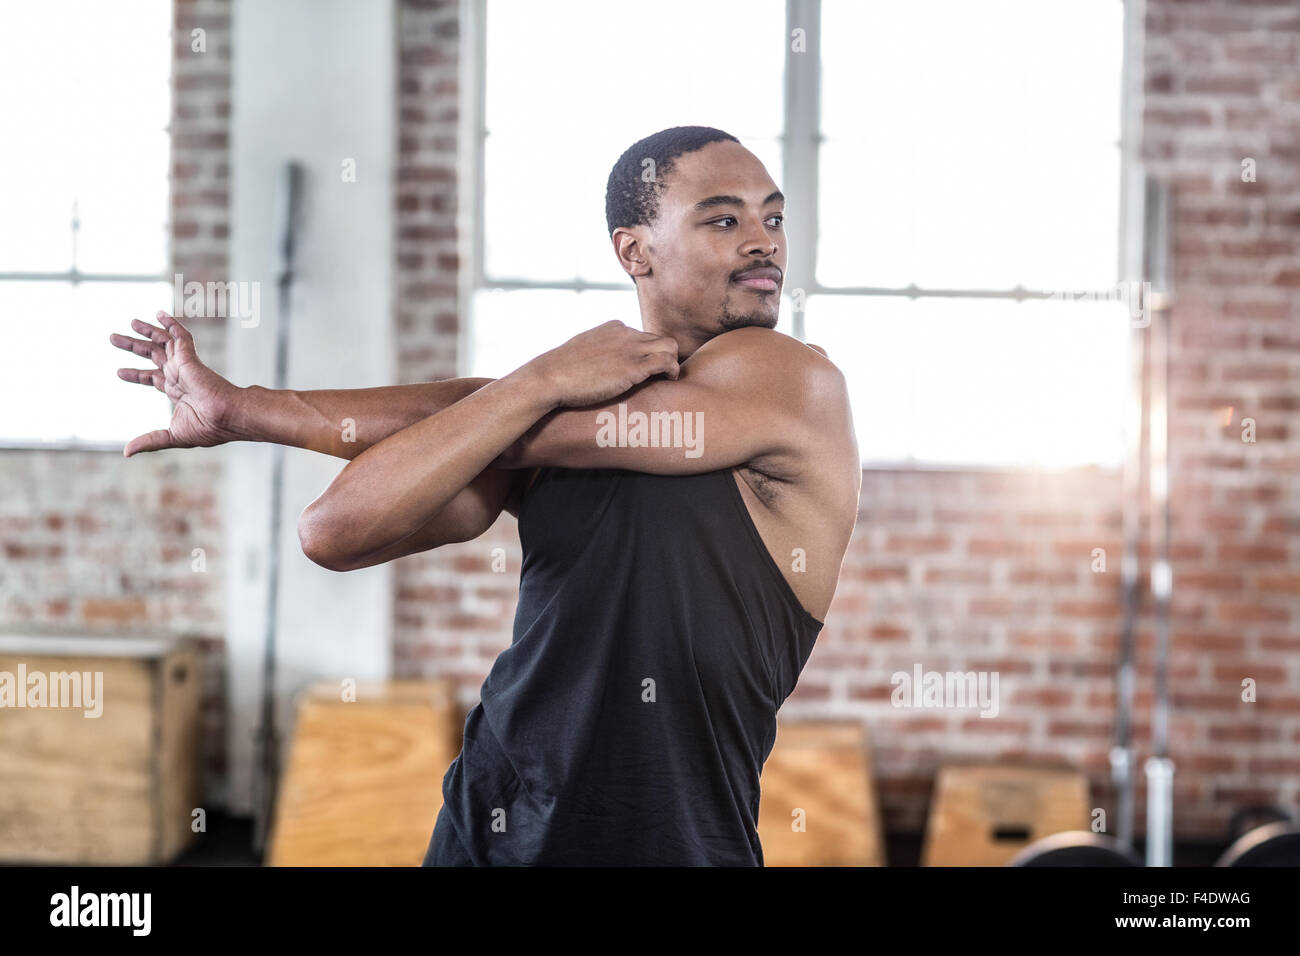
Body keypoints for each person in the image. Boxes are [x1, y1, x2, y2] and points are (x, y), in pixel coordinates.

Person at [112, 126, 861, 865]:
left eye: (774, 216)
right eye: (725, 219)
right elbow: (332, 532)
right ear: (636, 251)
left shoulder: (794, 381)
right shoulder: (557, 395)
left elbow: (522, 424)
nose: (764, 240)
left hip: (678, 841)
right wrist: (239, 409)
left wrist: (529, 387)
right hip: (489, 824)